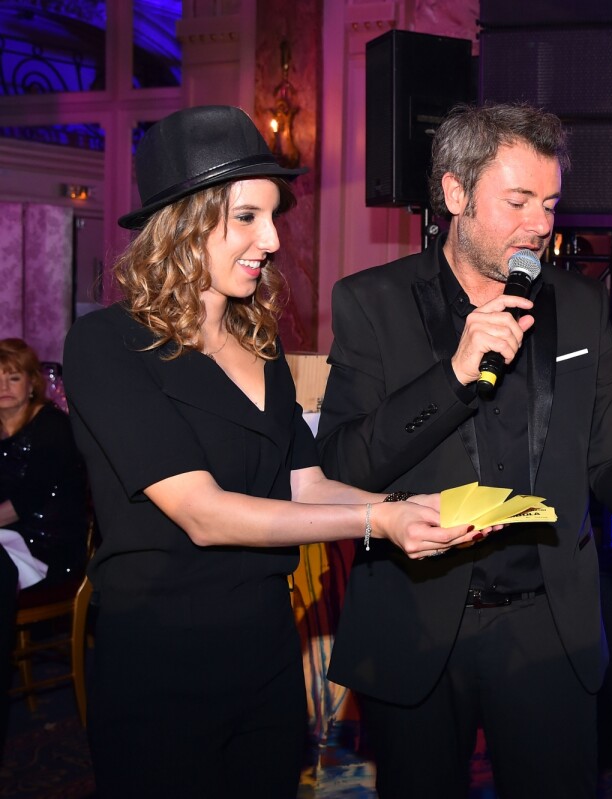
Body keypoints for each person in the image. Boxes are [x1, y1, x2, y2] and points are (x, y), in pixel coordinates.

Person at [63, 105, 488, 799]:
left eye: (272, 216)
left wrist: (410, 506)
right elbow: (204, 513)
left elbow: (307, 484)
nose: (271, 238)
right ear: (182, 223)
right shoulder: (107, 345)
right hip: (159, 665)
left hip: (263, 656)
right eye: (246, 217)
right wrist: (381, 523)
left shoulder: (259, 350)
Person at [316, 102, 612, 798]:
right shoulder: (371, 302)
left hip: (549, 625)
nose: (540, 225)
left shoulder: (582, 305)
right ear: (456, 193)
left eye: (550, 202)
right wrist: (454, 375)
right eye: (518, 200)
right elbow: (344, 467)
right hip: (416, 619)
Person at [0, 338, 89, 587]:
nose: (3, 386)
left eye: (14, 377)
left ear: (31, 383)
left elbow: (30, 497)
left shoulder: (52, 425)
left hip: (47, 545)